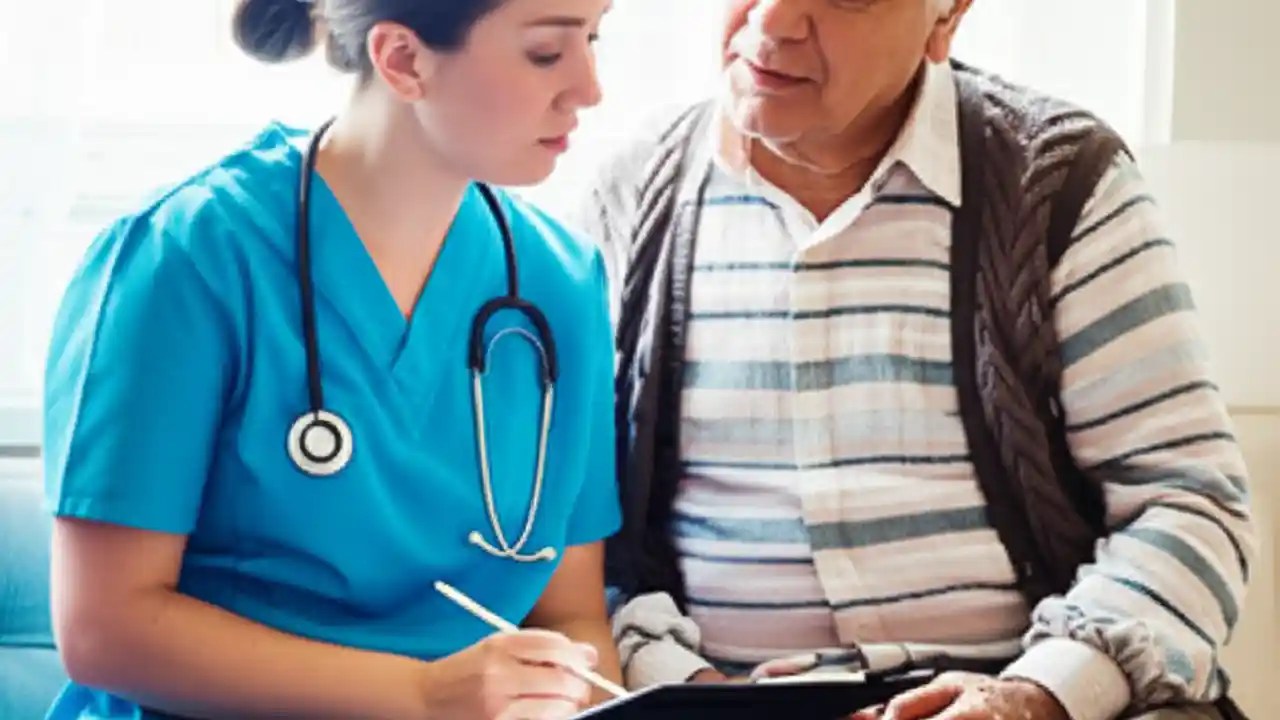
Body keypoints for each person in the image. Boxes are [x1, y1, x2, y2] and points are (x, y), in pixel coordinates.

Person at [575, 1, 1257, 719]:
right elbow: (572, 548)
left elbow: (1187, 504)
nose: (771, 21)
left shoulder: (1060, 183)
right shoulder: (630, 194)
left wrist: (1037, 695)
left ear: (947, 15)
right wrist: (679, 688)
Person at [41, 0, 620, 718]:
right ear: (403, 60)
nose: (590, 88)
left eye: (594, 39)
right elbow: (107, 630)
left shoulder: (560, 283)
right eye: (546, 53)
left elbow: (569, 619)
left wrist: (560, 698)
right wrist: (424, 696)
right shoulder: (186, 257)